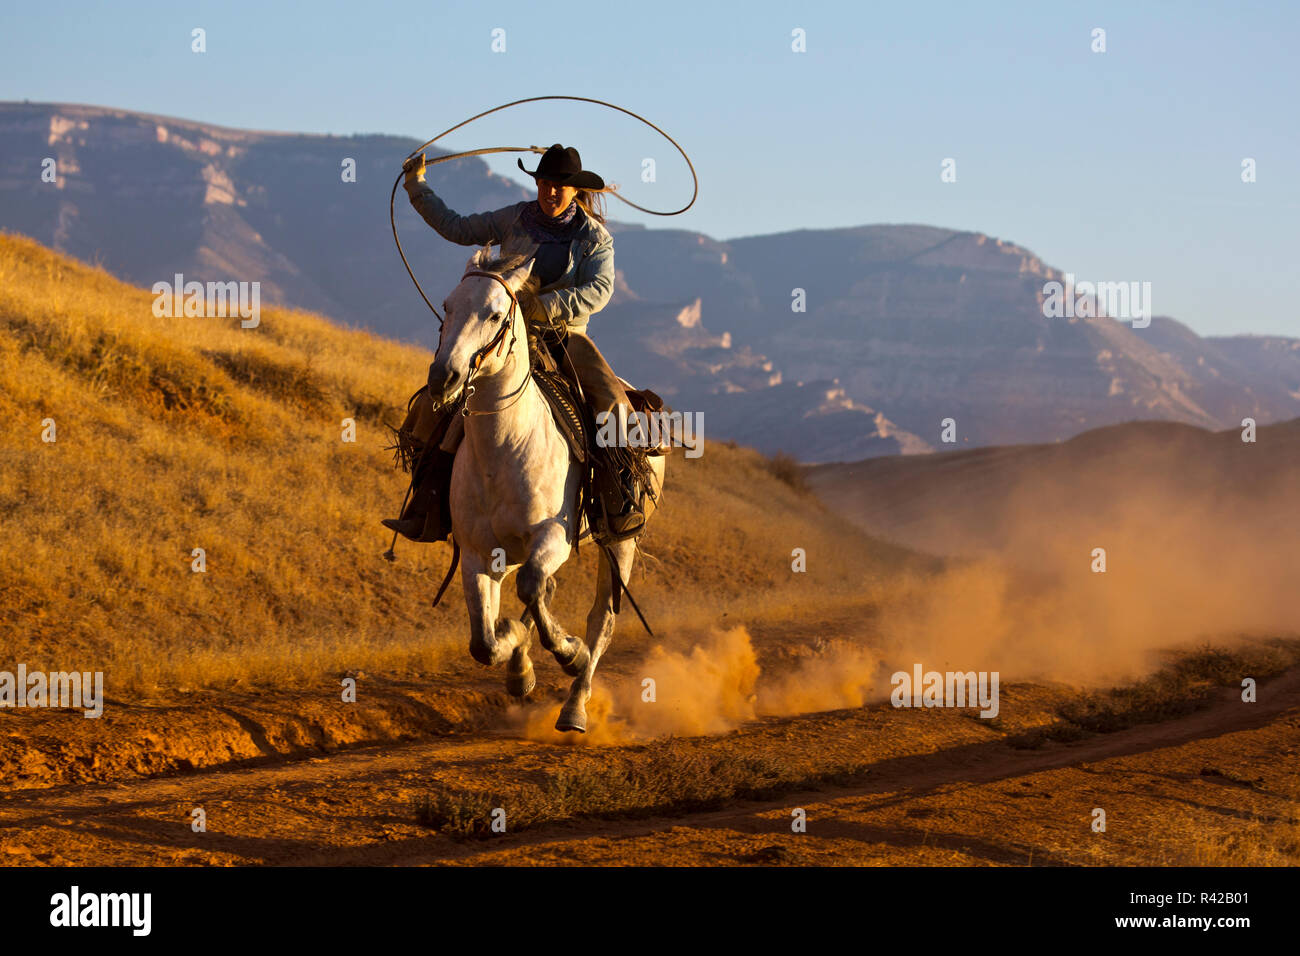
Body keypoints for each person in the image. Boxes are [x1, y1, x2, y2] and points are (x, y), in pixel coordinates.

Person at [384, 143, 647, 542]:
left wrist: (541, 306)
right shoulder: (515, 219)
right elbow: (457, 227)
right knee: (433, 402)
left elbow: (600, 290)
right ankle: (428, 505)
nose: (550, 192)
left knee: (611, 402)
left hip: (565, 338)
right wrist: (416, 186)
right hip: (501, 333)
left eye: (559, 185)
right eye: (544, 183)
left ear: (576, 190)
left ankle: (615, 506)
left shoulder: (594, 238)